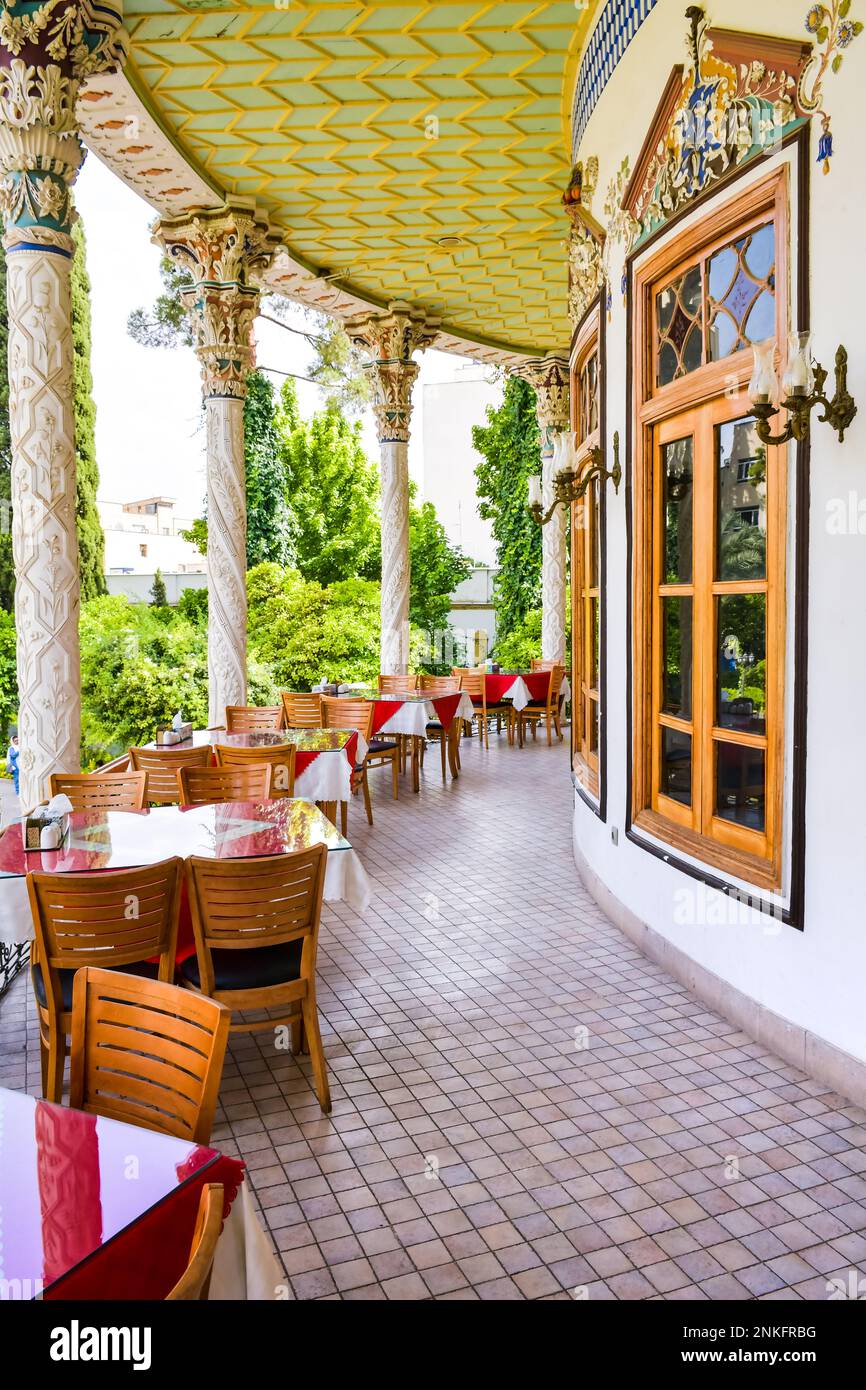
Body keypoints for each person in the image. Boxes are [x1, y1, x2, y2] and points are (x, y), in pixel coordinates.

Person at [6, 729, 19, 796]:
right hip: (15, 766)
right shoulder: (12, 748)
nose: (17, 741)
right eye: (15, 740)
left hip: (20, 765)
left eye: (18, 740)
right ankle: (18, 792)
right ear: (13, 741)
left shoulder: (20, 746)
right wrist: (19, 751)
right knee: (17, 780)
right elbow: (12, 755)